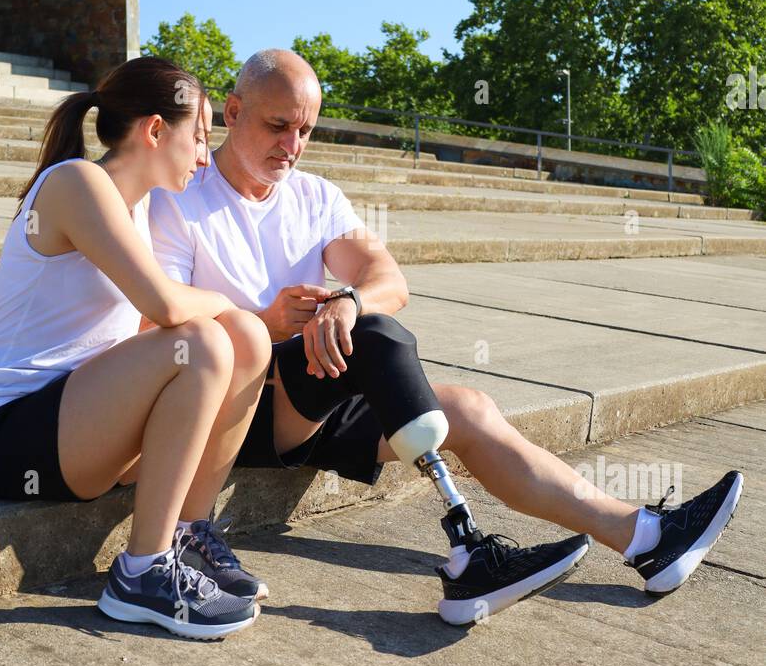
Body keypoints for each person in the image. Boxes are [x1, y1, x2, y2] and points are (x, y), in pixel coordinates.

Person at [147, 49, 744, 625]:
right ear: (231, 112)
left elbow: (387, 278)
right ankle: (469, 551)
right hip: (229, 411)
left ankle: (646, 538)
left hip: (316, 388)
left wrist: (349, 301)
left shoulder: (315, 195)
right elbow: (163, 330)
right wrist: (263, 320)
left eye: (305, 130)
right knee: (377, 337)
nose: (293, 147)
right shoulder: (180, 197)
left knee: (464, 405)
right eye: (279, 126)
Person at [0, 56, 273, 641]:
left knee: (245, 339)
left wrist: (233, 319)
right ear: (154, 130)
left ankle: (189, 532)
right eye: (198, 137)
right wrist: (221, 308)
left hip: (73, 422)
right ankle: (141, 575)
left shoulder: (138, 204)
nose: (205, 156)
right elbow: (167, 309)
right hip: (2, 433)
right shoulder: (77, 183)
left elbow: (148, 324)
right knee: (204, 339)